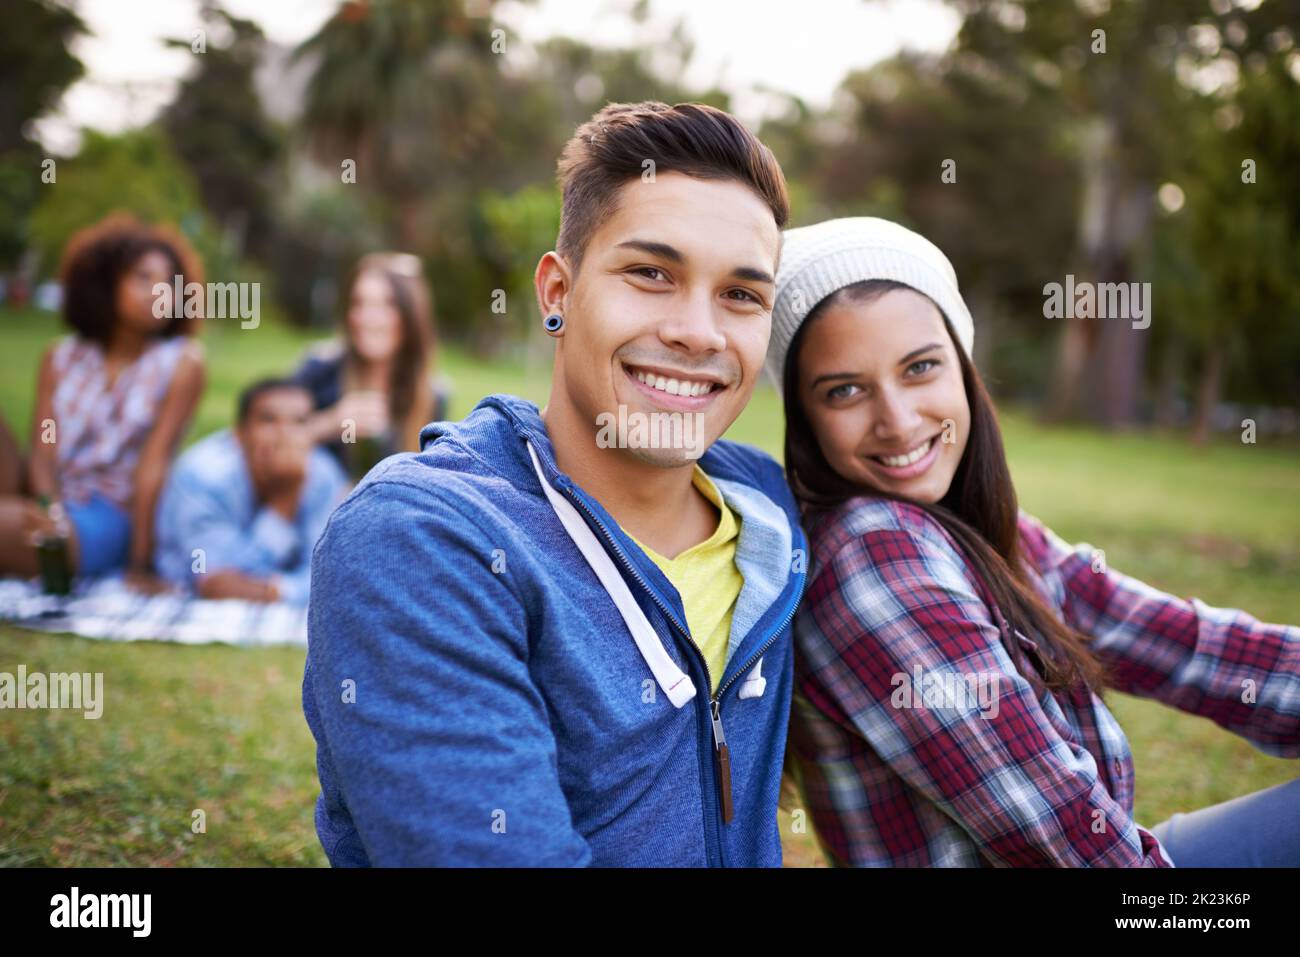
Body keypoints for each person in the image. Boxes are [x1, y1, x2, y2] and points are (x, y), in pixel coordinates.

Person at [303, 101, 807, 866]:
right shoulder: (423, 538)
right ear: (556, 293)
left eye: (741, 294)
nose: (699, 332)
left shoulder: (772, 510)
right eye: (650, 273)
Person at [768, 216, 1300, 867]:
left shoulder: (974, 531)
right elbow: (1063, 843)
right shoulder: (874, 557)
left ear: (962, 369)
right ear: (806, 416)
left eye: (920, 368)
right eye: (844, 389)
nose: (898, 420)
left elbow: (1192, 647)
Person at [0, 213, 206, 587]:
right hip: (47, 496)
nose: (160, 292)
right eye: (144, 277)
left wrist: (141, 565)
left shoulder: (181, 362)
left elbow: (152, 467)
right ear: (107, 282)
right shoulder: (60, 357)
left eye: (169, 283)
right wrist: (50, 508)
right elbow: (43, 449)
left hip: (107, 515)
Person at [154, 379, 349, 604]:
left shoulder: (323, 474)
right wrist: (284, 502)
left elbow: (331, 572)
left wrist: (276, 590)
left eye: (299, 422)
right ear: (239, 433)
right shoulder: (202, 477)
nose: (284, 434)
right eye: (268, 420)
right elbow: (216, 582)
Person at [293, 252, 450, 478]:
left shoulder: (432, 395)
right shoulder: (322, 367)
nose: (368, 317)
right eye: (359, 303)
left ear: (410, 316)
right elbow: (266, 439)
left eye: (386, 305)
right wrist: (331, 423)